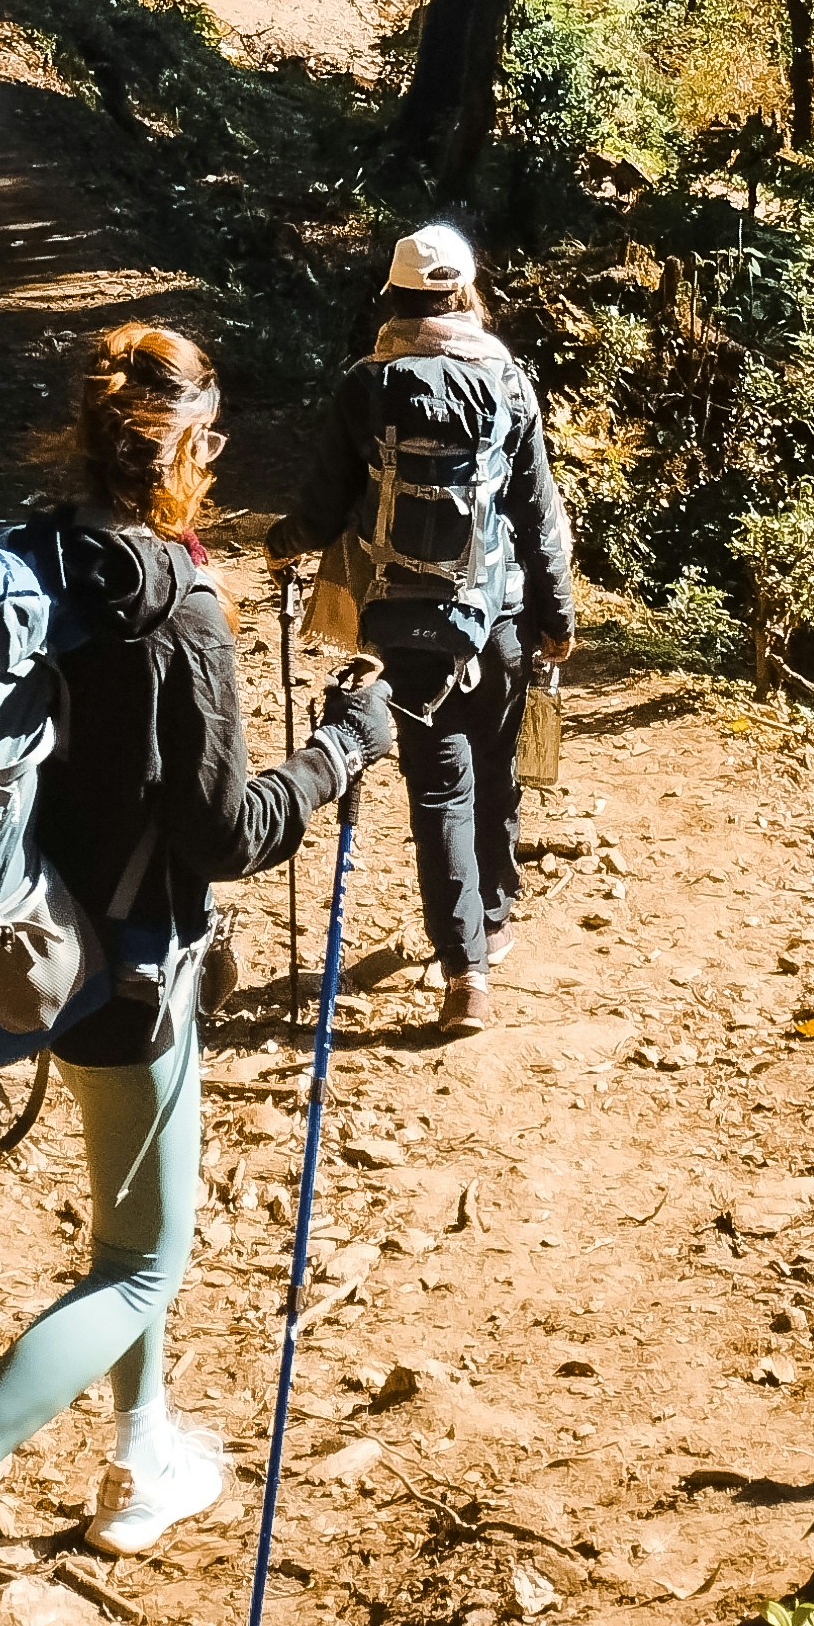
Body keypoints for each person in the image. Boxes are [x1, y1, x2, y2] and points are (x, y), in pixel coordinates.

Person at [0, 323, 394, 1626]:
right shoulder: (177, 605)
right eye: (213, 440)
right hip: (131, 964)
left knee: (130, 1233)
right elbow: (227, 832)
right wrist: (342, 750)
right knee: (140, 1265)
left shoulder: (33, 558)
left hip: (31, 933)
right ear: (188, 449)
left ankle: (143, 1452)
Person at [266, 223, 573, 1042]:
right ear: (466, 293)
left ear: (395, 296)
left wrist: (280, 543)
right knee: (497, 767)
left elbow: (323, 509)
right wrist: (557, 615)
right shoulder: (507, 382)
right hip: (498, 616)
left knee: (439, 788)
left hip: (405, 624)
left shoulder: (366, 386)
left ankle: (466, 975)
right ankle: (494, 919)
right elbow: (538, 514)